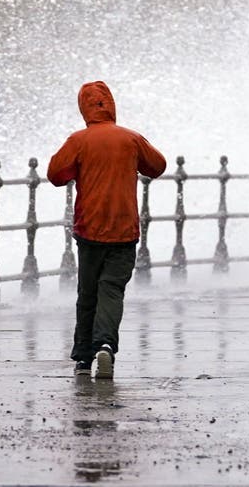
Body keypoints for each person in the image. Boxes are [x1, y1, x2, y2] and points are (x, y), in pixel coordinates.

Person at [48, 81, 166, 379]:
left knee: (88, 293)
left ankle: (83, 358)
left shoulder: (79, 140)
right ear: (111, 105)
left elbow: (55, 175)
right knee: (112, 290)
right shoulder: (131, 139)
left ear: (84, 108)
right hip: (124, 229)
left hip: (89, 228)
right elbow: (158, 166)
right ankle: (105, 345)